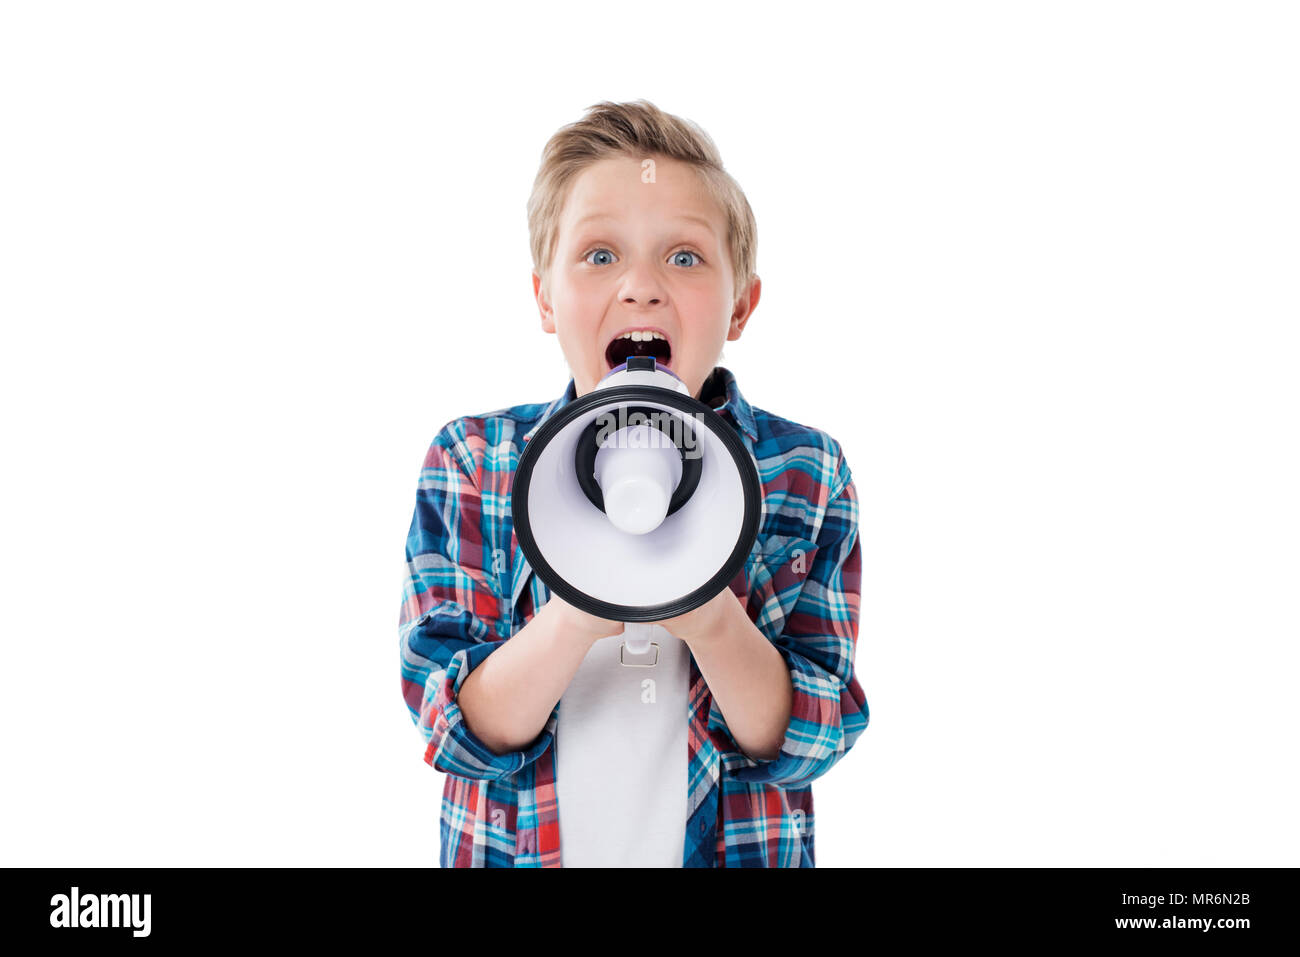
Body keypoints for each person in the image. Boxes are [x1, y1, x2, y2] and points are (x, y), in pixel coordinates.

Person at [398, 99, 868, 867]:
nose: (641, 286)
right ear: (546, 298)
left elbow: (810, 735)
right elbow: (456, 727)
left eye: (684, 258)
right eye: (599, 255)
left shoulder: (806, 472)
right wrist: (578, 608)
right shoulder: (473, 460)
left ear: (740, 306)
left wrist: (711, 616)